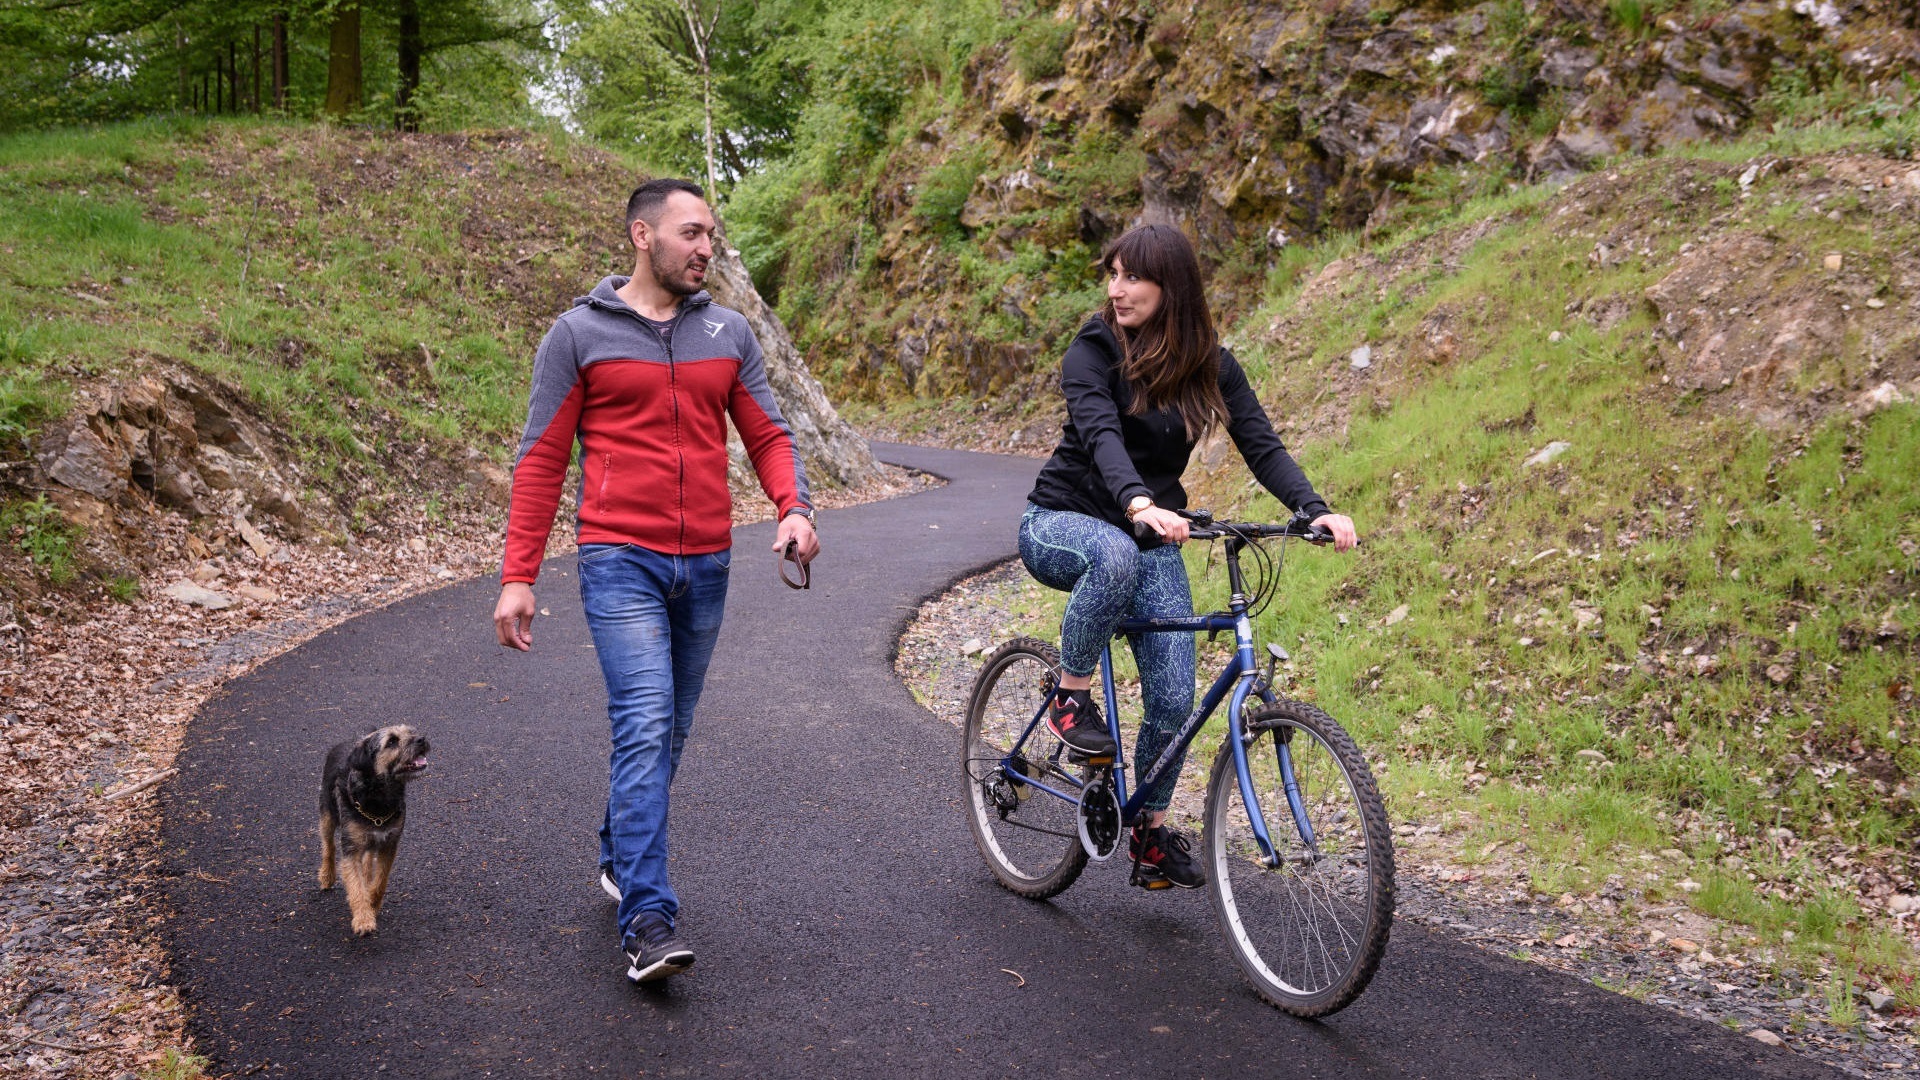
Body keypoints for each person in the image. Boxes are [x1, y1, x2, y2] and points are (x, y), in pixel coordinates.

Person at [491, 178, 819, 983]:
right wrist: (518, 576)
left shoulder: (728, 332)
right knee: (643, 720)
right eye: (691, 233)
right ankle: (648, 917)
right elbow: (540, 460)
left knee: (668, 730)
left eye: (711, 234)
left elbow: (769, 433)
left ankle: (618, 852)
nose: (707, 248)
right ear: (644, 236)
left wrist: (794, 505)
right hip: (617, 557)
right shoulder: (577, 336)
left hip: (707, 560)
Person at [1019, 224, 1356, 890]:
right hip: (1062, 521)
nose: (1117, 289)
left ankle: (1148, 829)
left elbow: (1262, 446)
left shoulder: (1209, 362)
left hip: (1149, 533)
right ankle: (1069, 693)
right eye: (1111, 275)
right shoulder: (1093, 349)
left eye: (1131, 277)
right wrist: (1139, 502)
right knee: (1113, 553)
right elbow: (1101, 435)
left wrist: (1313, 508)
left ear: (1171, 286)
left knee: (1173, 699)